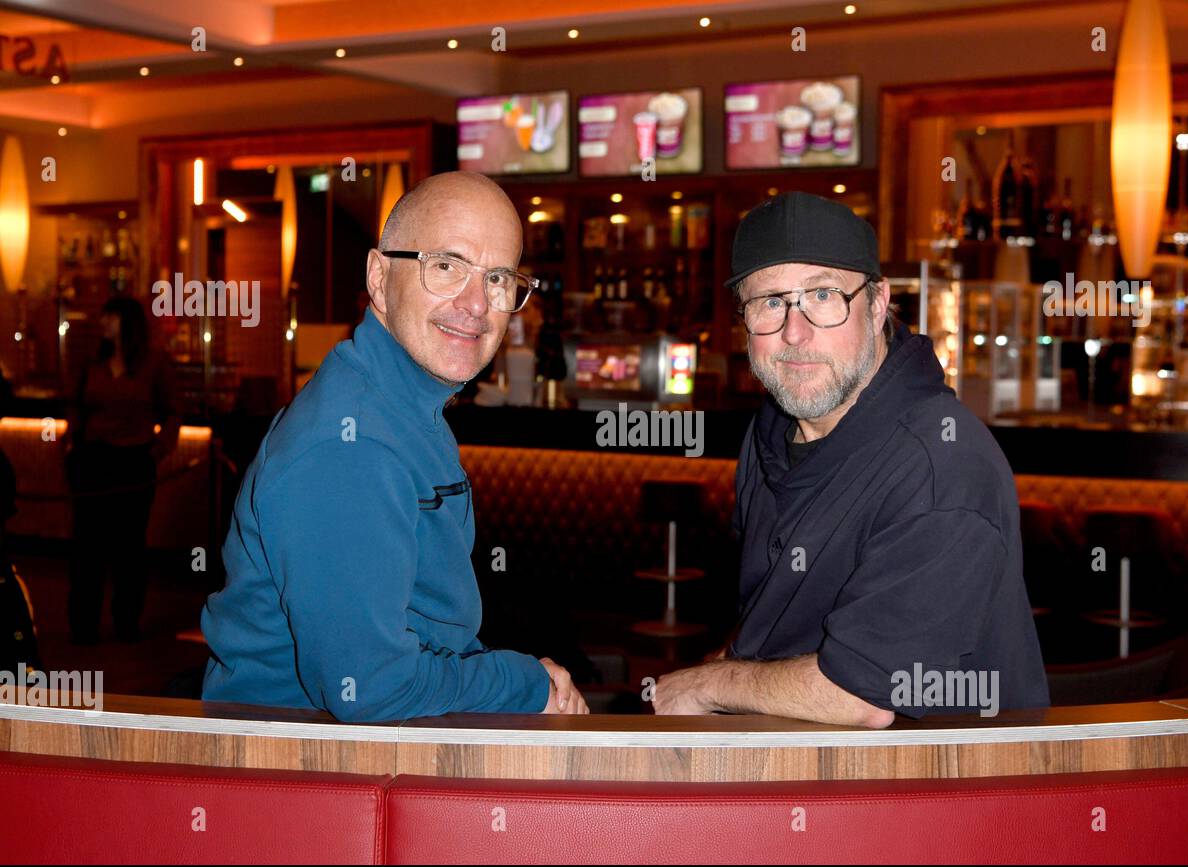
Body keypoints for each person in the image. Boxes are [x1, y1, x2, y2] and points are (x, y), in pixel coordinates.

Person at [202, 171, 588, 720]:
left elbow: (427, 633)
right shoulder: (351, 446)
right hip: (303, 771)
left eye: (498, 278)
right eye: (446, 267)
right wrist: (524, 684)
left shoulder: (406, 406)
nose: (476, 303)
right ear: (379, 278)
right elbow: (372, 687)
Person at [652, 192, 1049, 725]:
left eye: (822, 295)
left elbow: (863, 696)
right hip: (799, 768)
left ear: (878, 302)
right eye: (770, 302)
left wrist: (708, 686)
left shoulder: (941, 464)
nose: (795, 333)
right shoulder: (772, 428)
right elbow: (773, 623)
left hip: (930, 790)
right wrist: (717, 678)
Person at [65, 295, 180, 644]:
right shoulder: (92, 362)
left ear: (126, 322)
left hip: (132, 462)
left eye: (110, 317)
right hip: (93, 460)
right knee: (88, 546)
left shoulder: (153, 363)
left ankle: (126, 621)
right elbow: (74, 404)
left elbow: (173, 411)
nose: (103, 323)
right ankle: (83, 624)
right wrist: (72, 444)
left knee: (129, 547)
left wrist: (158, 451)